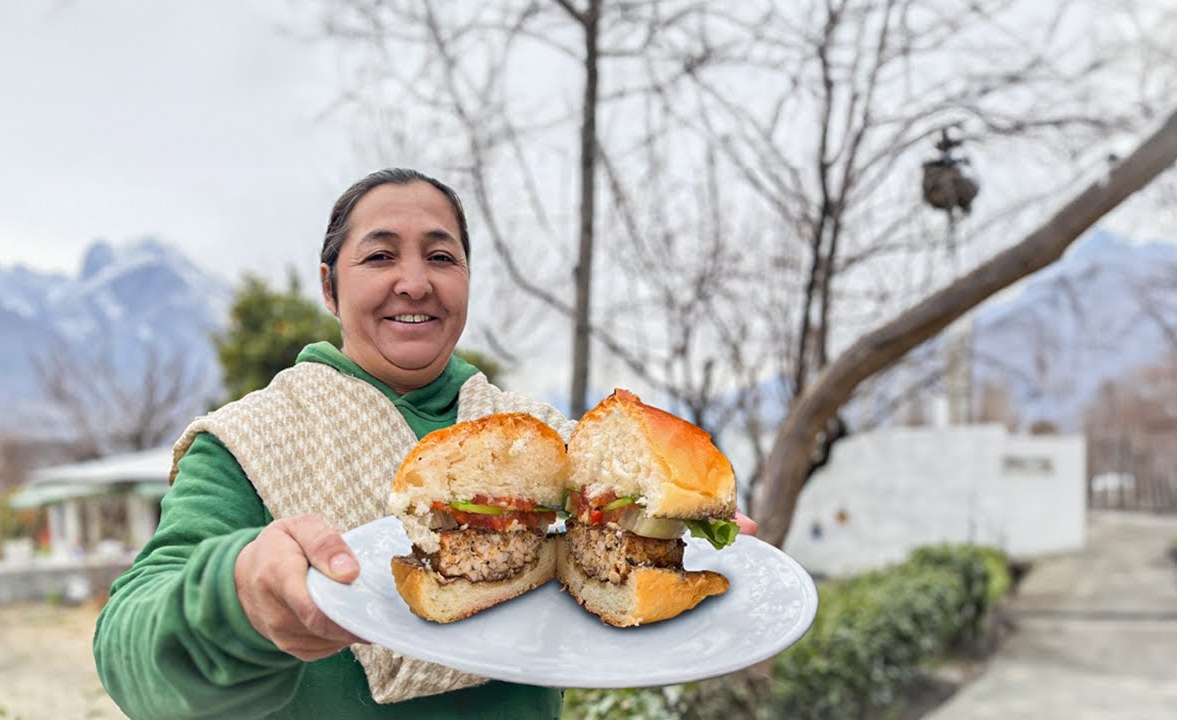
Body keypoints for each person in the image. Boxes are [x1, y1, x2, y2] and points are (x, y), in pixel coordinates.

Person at [93, 168, 756, 719]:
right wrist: (235, 595)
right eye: (380, 256)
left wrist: (679, 548)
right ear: (329, 286)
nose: (414, 282)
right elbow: (129, 653)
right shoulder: (246, 441)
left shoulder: (554, 440)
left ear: (466, 281)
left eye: (441, 256)